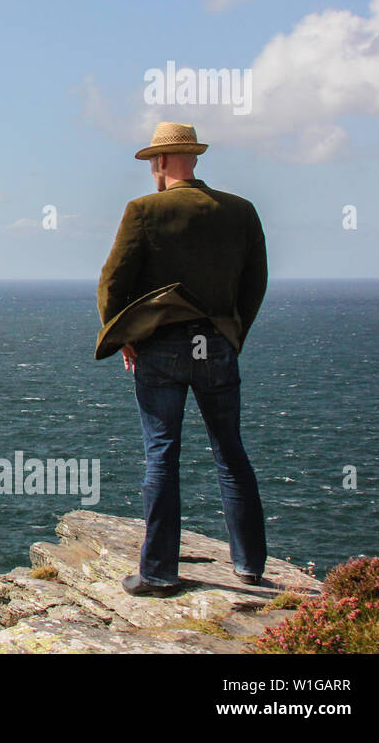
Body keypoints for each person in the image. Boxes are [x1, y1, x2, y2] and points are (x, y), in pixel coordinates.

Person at [95, 121, 268, 597]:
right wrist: (233, 335)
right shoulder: (241, 210)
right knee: (231, 452)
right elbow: (255, 283)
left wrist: (123, 336)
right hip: (218, 346)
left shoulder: (144, 210)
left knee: (162, 454)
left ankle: (158, 572)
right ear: (194, 158)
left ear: (160, 161)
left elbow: (113, 282)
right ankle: (250, 565)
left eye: (152, 160)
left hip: (160, 348)